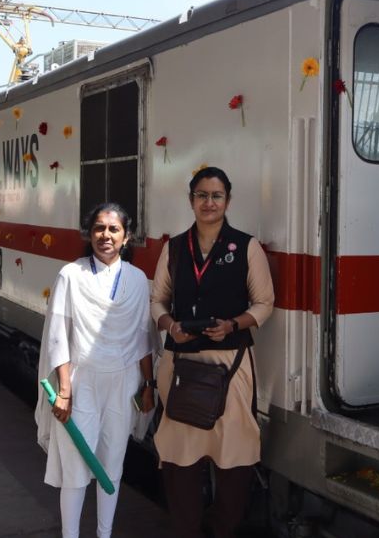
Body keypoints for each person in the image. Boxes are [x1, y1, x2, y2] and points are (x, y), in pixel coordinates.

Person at [150, 167, 274, 538]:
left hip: (231, 367)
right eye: (202, 195)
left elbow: (265, 302)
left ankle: (222, 529)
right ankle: (187, 530)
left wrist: (234, 325)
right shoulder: (173, 248)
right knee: (180, 459)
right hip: (180, 364)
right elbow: (157, 300)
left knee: (234, 456)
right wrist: (171, 326)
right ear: (191, 201)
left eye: (216, 196)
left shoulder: (246, 247)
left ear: (228, 201)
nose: (209, 202)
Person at [35, 202, 154, 538]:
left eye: (114, 229)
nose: (106, 235)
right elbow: (59, 337)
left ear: (126, 237)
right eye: (99, 228)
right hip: (80, 384)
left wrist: (149, 385)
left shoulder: (137, 279)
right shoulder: (71, 275)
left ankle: (105, 534)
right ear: (90, 234)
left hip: (124, 382)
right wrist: (64, 391)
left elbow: (143, 338)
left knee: (111, 466)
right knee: (75, 468)